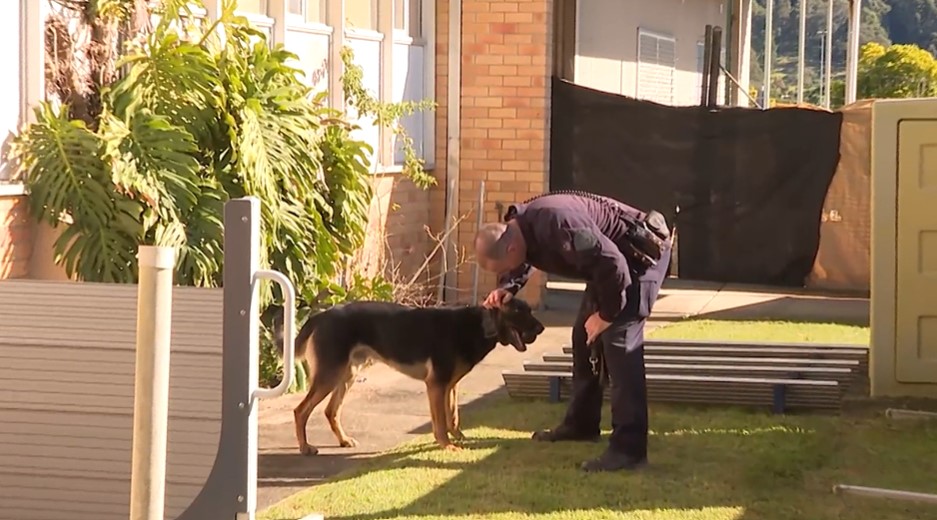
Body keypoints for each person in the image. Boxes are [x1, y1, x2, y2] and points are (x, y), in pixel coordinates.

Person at [474, 190, 672, 472]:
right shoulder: (519, 228)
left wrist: (606, 315)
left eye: (504, 268)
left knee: (620, 344)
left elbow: (614, 264)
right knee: (583, 338)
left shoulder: (560, 224)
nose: (506, 270)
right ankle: (581, 425)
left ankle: (629, 450)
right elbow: (530, 257)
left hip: (640, 257)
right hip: (609, 264)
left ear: (510, 249)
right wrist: (507, 287)